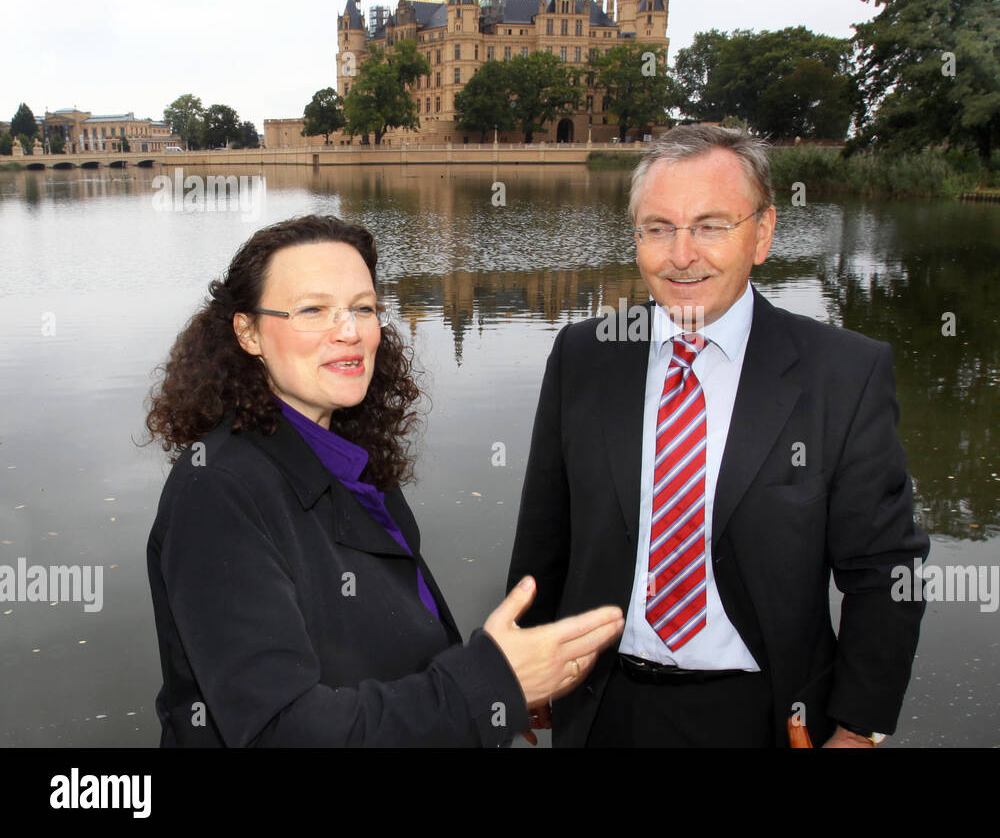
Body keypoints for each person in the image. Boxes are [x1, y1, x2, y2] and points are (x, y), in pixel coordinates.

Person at [507, 125, 930, 747]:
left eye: (710, 226)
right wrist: (528, 666)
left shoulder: (842, 374)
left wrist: (857, 728)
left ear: (762, 233)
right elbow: (547, 531)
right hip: (601, 708)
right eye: (659, 228)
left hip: (765, 715)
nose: (682, 255)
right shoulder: (585, 355)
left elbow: (885, 570)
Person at [144, 215, 623, 747]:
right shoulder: (217, 492)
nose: (349, 331)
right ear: (248, 332)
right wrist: (488, 684)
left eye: (363, 307)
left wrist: (499, 695)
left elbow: (378, 652)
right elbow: (280, 732)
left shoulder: (347, 459)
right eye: (312, 310)